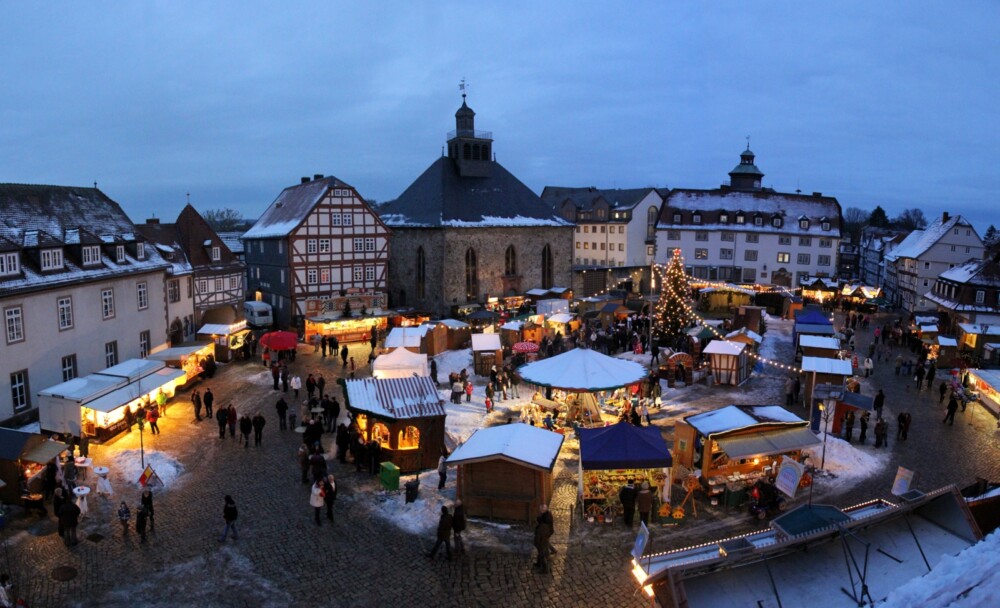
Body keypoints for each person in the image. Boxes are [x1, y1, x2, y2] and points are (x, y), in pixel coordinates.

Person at [533, 504, 554, 573]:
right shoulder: (546, 515)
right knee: (541, 552)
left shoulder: (543, 524)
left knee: (542, 553)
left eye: (541, 510)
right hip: (545, 535)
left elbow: (540, 534)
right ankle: (539, 563)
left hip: (543, 537)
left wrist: (537, 542)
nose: (540, 511)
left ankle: (545, 569)